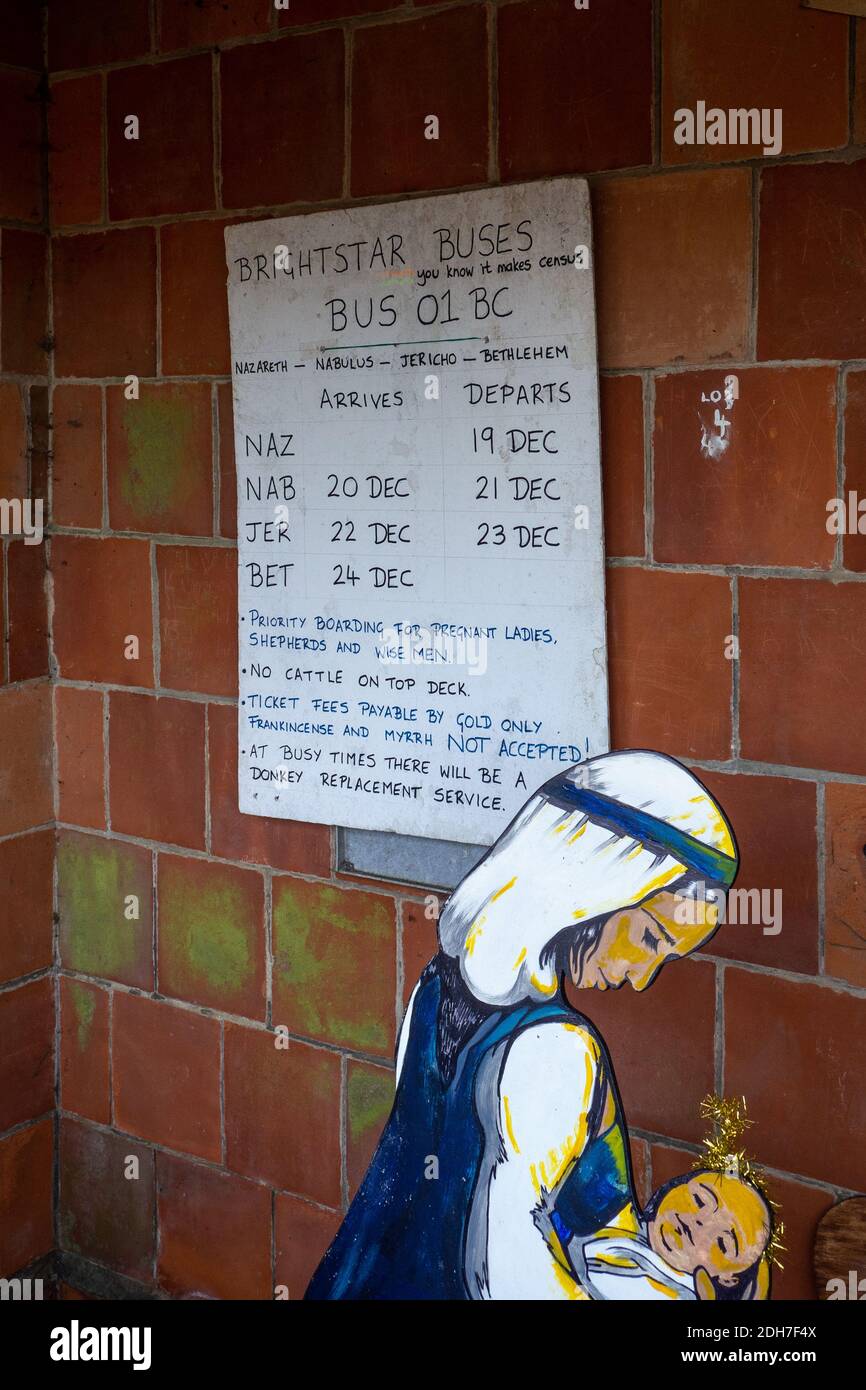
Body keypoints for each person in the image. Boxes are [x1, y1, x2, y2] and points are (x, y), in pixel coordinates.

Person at [306, 749, 741, 1300]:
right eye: (652, 938)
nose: (642, 977)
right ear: (599, 880)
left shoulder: (437, 981)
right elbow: (510, 1275)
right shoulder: (558, 1048)